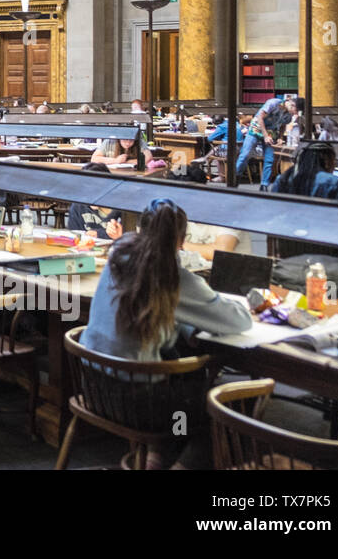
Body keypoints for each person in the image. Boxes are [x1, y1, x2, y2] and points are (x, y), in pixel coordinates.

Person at [83, 198, 252, 468]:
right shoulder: (174, 275)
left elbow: (147, 308)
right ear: (182, 240)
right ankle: (178, 462)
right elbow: (239, 322)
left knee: (182, 386)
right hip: (137, 401)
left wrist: (186, 325)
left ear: (141, 227)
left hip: (94, 385)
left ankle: (157, 456)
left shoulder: (119, 252)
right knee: (226, 407)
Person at [233, 94, 286, 189]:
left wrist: (281, 137)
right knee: (245, 154)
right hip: (256, 128)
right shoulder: (273, 103)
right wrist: (265, 135)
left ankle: (264, 185)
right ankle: (235, 176)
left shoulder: (289, 113)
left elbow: (283, 125)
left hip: (271, 132)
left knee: (269, 159)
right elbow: (260, 117)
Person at [271, 140, 338, 201]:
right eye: (333, 161)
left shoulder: (282, 178)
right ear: (327, 161)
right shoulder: (335, 183)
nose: (334, 166)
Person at [66, 163, 126, 239]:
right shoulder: (78, 206)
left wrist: (99, 234)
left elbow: (129, 235)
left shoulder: (122, 206)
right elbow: (74, 233)